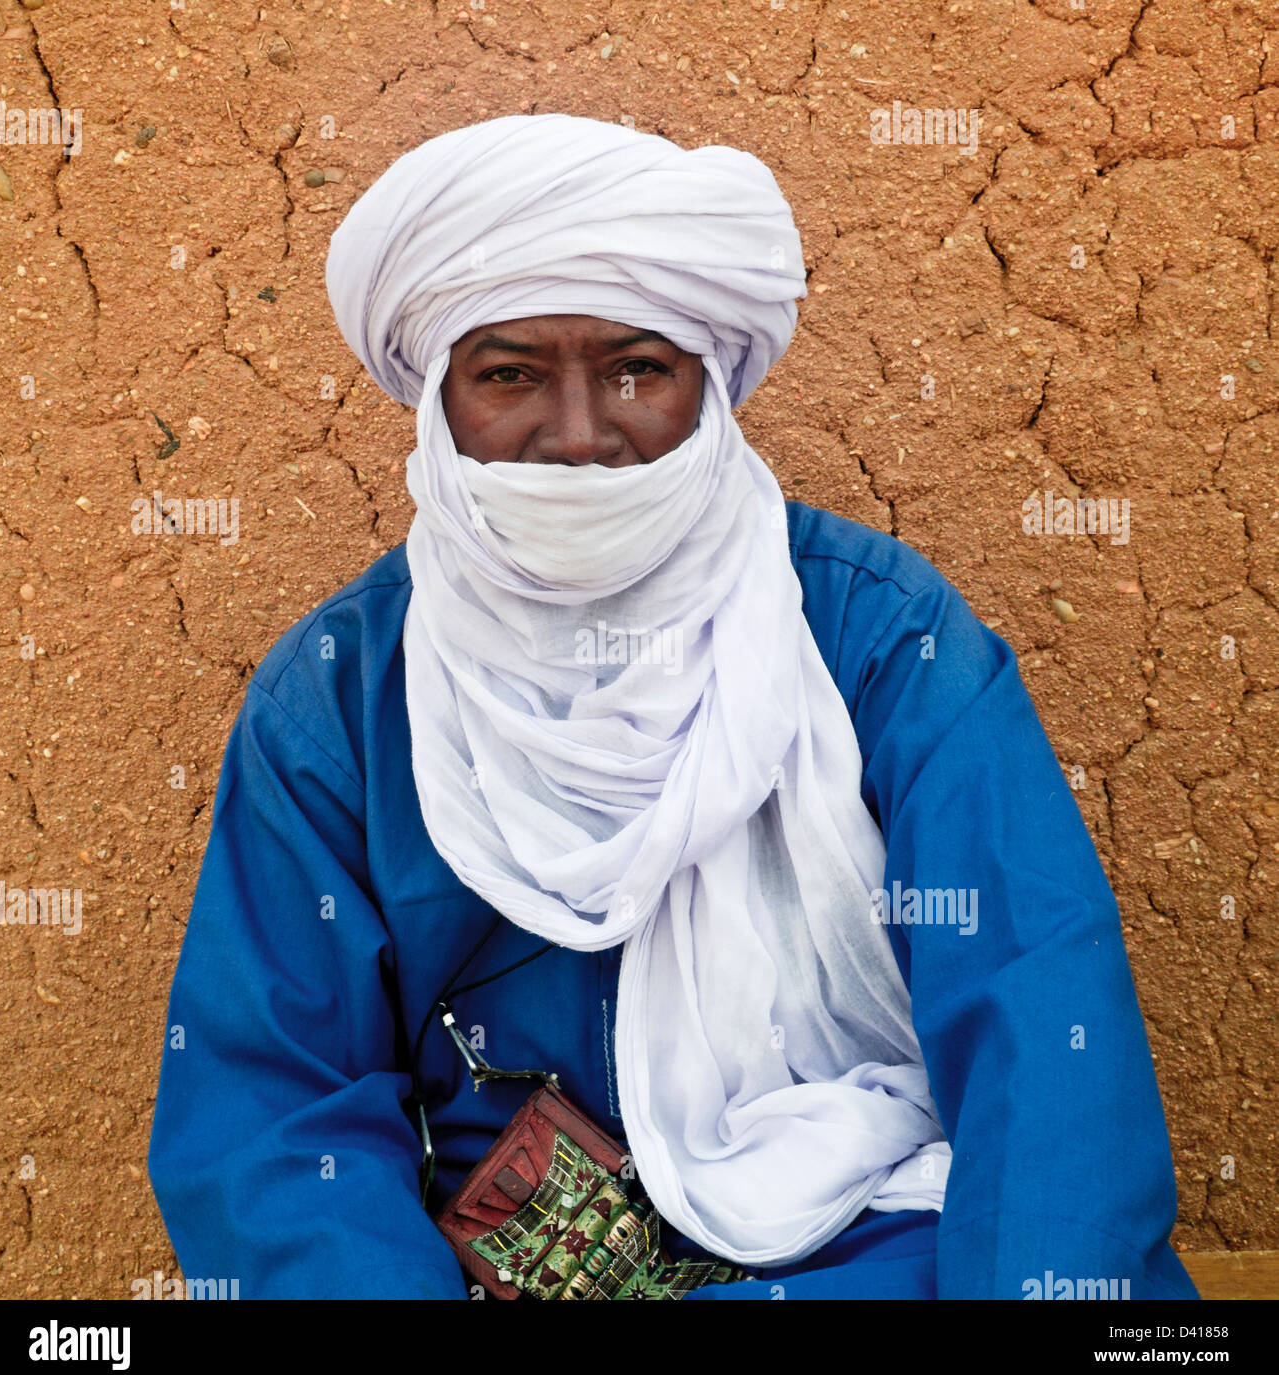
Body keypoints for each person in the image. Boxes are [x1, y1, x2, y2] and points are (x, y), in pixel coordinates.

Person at [148, 113, 1199, 1300]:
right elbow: (274, 1115)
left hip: (861, 1245)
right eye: (507, 375)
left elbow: (1040, 1022)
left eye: (638, 370)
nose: (582, 436)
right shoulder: (341, 696)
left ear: (710, 386)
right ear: (436, 399)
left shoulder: (876, 639)